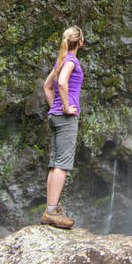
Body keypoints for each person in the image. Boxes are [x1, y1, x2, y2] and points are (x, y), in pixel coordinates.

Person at [41, 25, 84, 229]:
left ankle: (51, 208)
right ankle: (52, 210)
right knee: (63, 165)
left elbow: (46, 87)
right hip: (65, 118)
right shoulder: (71, 61)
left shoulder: (60, 61)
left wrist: (55, 108)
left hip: (54, 116)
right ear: (80, 42)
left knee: (55, 163)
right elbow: (62, 84)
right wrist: (66, 108)